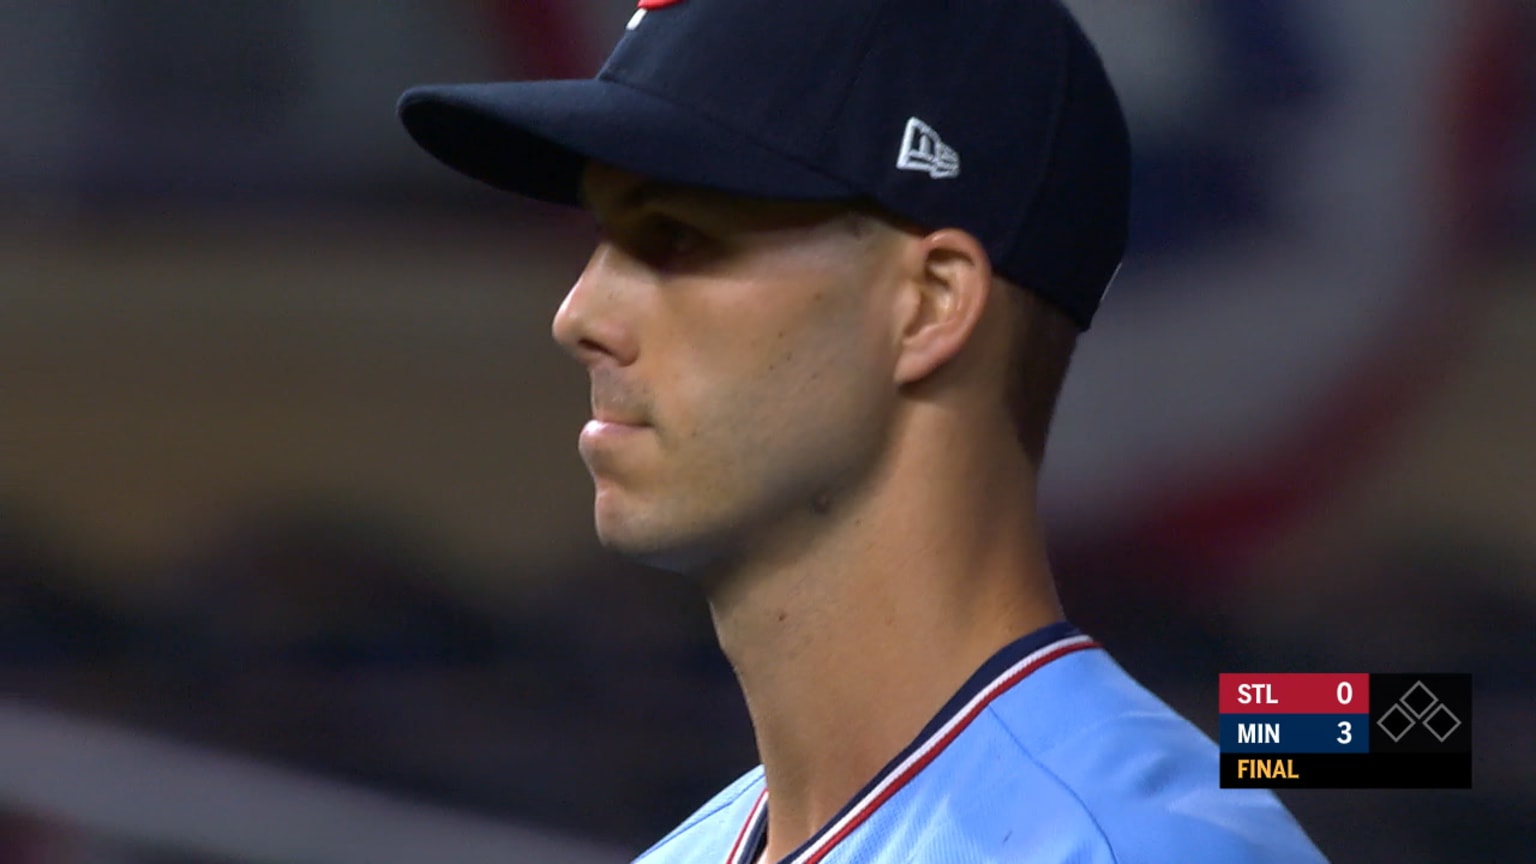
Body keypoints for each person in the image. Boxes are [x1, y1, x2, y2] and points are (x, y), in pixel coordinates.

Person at [397, 1, 1329, 861]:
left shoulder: (1130, 846)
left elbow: (1403, 732)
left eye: (676, 235)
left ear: (929, 305)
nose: (578, 314)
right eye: (604, 235)